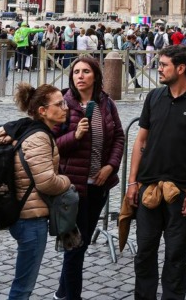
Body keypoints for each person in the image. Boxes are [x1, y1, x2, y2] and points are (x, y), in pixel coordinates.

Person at [128, 45, 186, 300]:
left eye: (164, 64)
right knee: (144, 251)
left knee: (176, 255)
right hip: (148, 187)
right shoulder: (154, 97)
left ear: (181, 68)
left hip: (181, 191)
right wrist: (132, 182)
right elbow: (140, 140)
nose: (159, 69)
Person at [0, 83, 72, 300]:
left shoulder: (26, 129)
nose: (65, 107)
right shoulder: (39, 137)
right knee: (23, 286)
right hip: (31, 219)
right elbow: (46, 182)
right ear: (43, 111)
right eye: (59, 104)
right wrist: (66, 180)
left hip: (23, 214)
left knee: (23, 282)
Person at [54, 56, 125, 300]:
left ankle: (61, 293)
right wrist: (75, 136)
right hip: (72, 188)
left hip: (99, 184)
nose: (80, 76)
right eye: (76, 72)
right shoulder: (62, 104)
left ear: (96, 75)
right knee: (75, 247)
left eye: (85, 71)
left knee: (79, 245)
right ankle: (71, 296)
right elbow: (51, 145)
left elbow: (118, 137)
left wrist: (111, 166)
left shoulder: (106, 104)